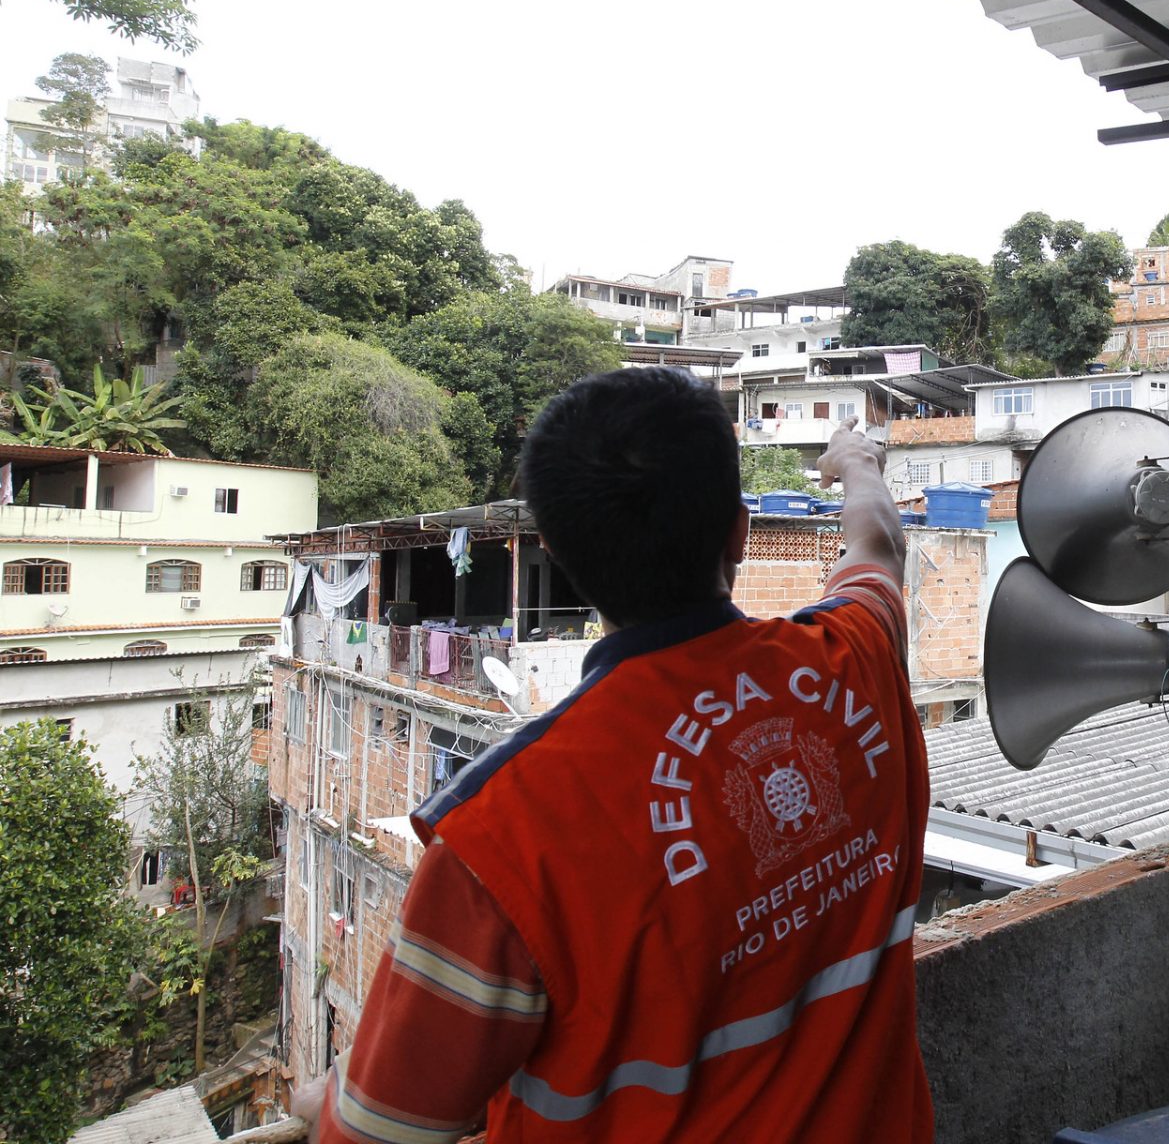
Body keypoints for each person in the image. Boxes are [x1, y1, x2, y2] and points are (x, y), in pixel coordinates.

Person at [298, 368, 932, 1143]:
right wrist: (857, 461)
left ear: (562, 557)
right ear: (739, 531)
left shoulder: (501, 838)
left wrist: (318, 1106)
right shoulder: (856, 658)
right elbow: (877, 543)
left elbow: (371, 1133)